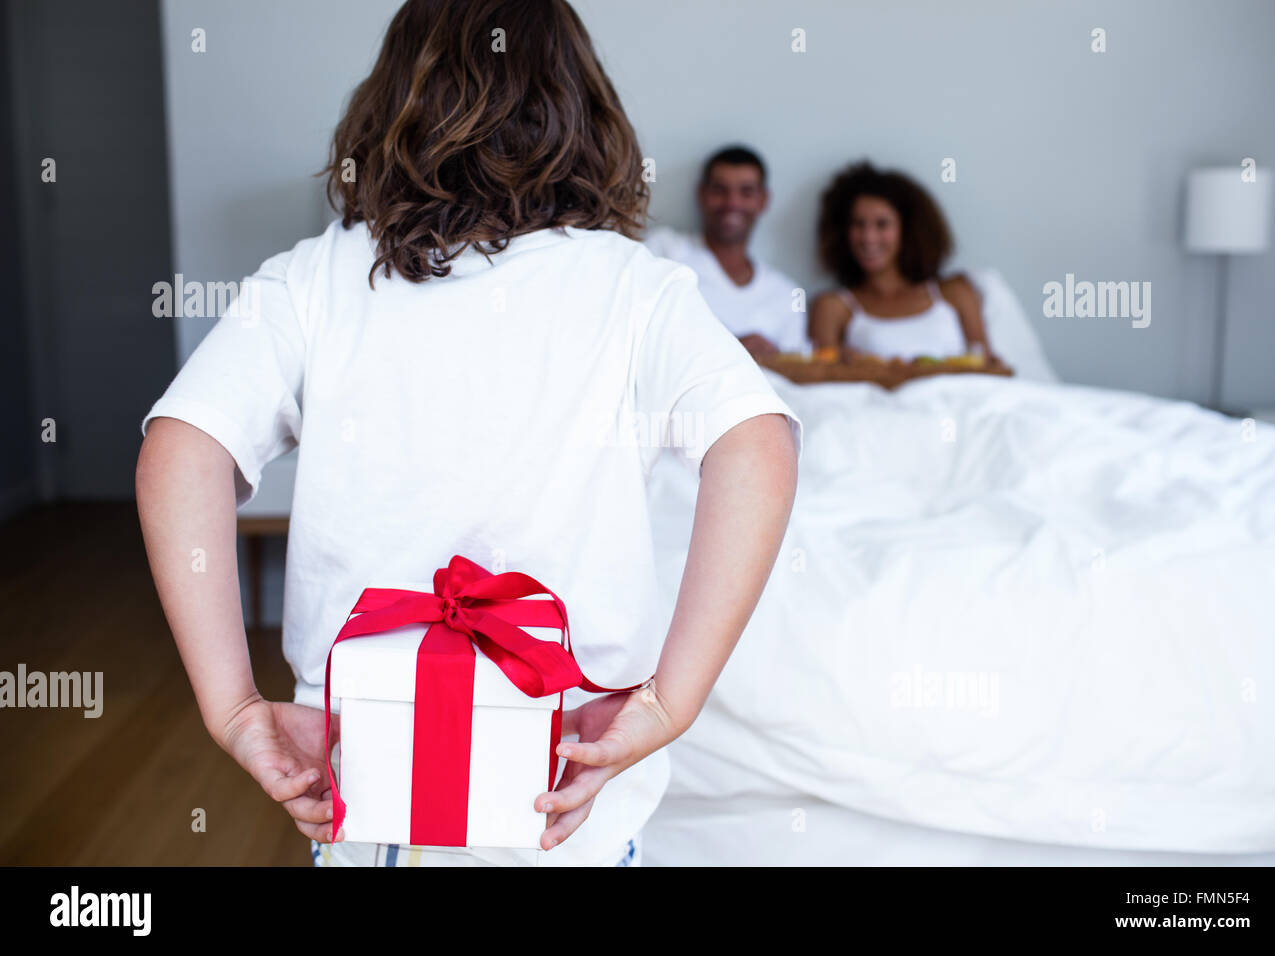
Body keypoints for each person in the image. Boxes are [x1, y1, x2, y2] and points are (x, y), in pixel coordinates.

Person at [135, 0, 800, 868]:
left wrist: (232, 705)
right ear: (583, 115)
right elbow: (757, 445)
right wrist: (671, 701)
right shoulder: (635, 288)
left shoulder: (313, 279)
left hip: (373, 796)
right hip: (570, 805)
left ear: (391, 107)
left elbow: (182, 449)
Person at [808, 161, 1011, 382]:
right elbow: (821, 379)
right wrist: (849, 363)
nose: (868, 237)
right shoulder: (833, 306)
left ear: (908, 230)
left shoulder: (955, 292)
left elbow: (985, 364)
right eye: (858, 224)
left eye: (882, 224)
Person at [644, 146, 808, 359]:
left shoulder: (787, 295)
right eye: (720, 190)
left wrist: (774, 360)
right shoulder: (664, 251)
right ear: (701, 195)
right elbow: (640, 333)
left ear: (763, 200)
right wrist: (732, 349)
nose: (732, 203)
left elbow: (796, 375)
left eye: (746, 192)